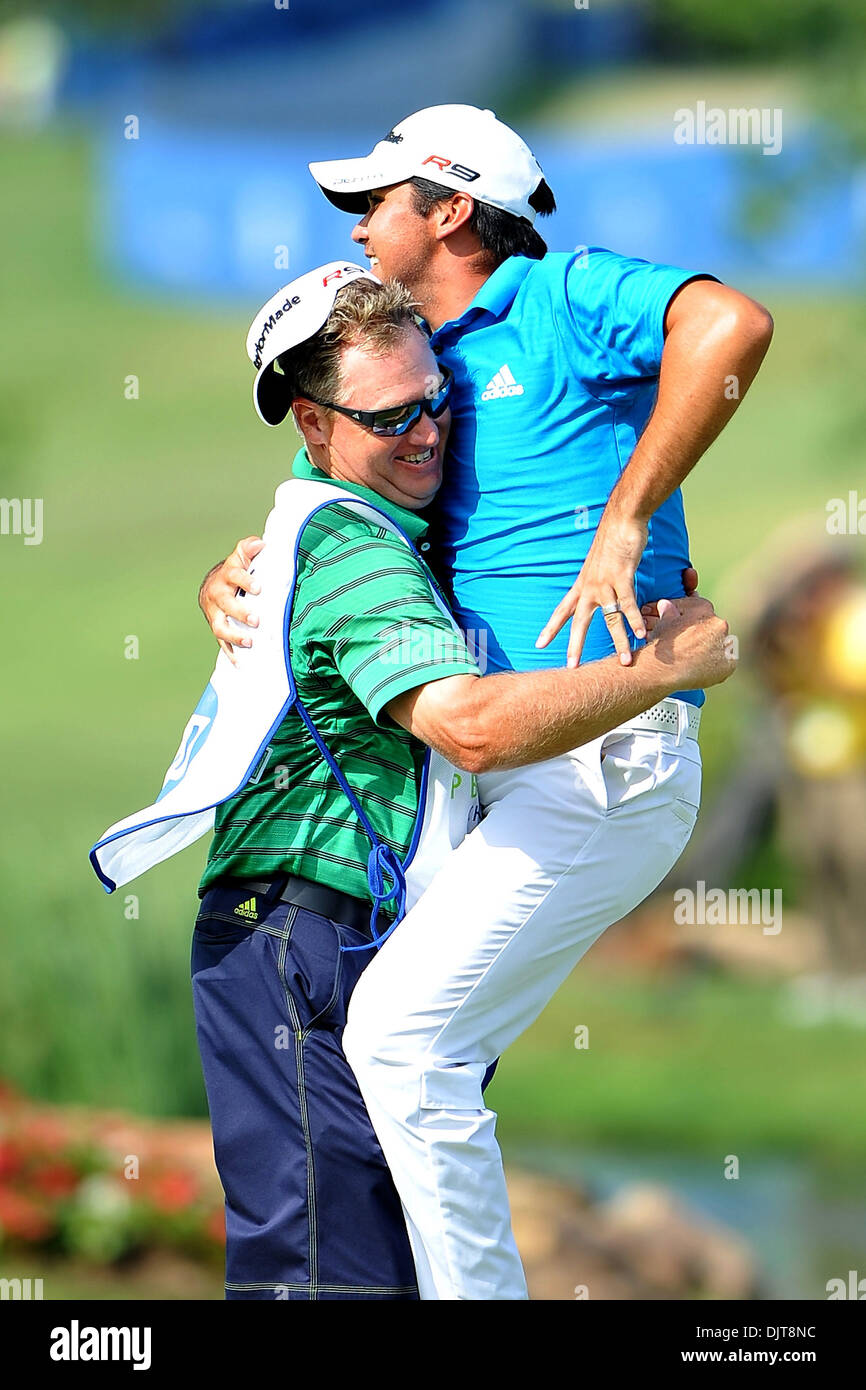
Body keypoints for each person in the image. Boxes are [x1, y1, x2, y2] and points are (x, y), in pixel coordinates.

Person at [199, 103, 770, 1299]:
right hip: (489, 775)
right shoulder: (418, 369)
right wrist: (228, 574)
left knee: (402, 1047)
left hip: (600, 755)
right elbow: (324, 506)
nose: (357, 225)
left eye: (377, 201)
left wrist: (626, 517)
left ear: (450, 207)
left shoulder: (558, 295)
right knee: (414, 1068)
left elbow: (731, 324)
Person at [92, 262, 736, 1302]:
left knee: (377, 1267)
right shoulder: (360, 552)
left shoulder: (372, 526)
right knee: (323, 1278)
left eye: (435, 399)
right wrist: (666, 667)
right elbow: (470, 730)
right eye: (389, 416)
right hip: (297, 938)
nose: (427, 430)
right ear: (314, 424)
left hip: (334, 930)